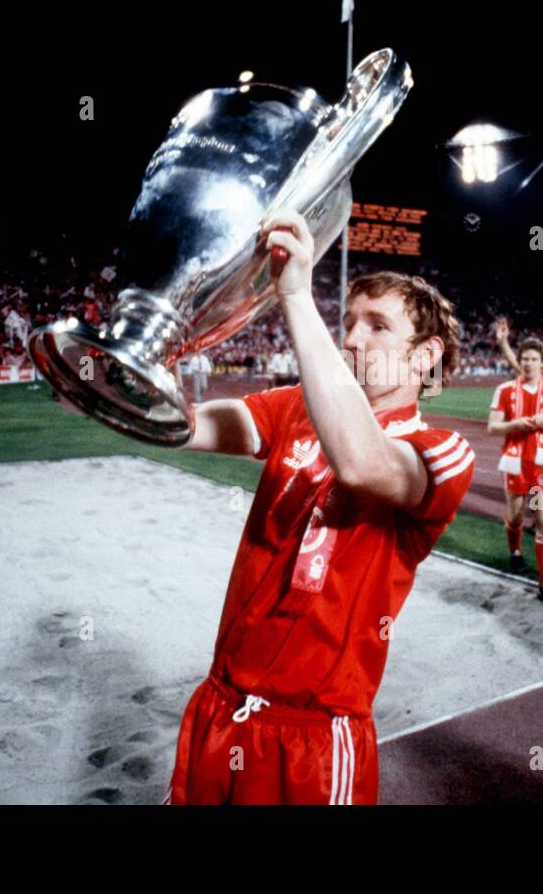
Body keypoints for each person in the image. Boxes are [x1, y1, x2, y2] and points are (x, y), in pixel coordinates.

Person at [163, 212, 474, 805]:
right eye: (349, 323)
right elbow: (185, 427)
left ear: (425, 355)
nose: (353, 340)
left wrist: (298, 296)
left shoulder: (442, 451)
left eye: (378, 326)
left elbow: (361, 462)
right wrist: (115, 381)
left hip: (315, 739)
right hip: (220, 708)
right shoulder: (291, 409)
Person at [488, 336, 543, 606]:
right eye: (524, 358)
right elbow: (492, 427)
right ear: (520, 361)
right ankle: (515, 550)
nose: (528, 363)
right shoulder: (505, 390)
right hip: (516, 466)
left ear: (542, 363)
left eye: (534, 359)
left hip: (540, 470)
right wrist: (515, 424)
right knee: (515, 517)